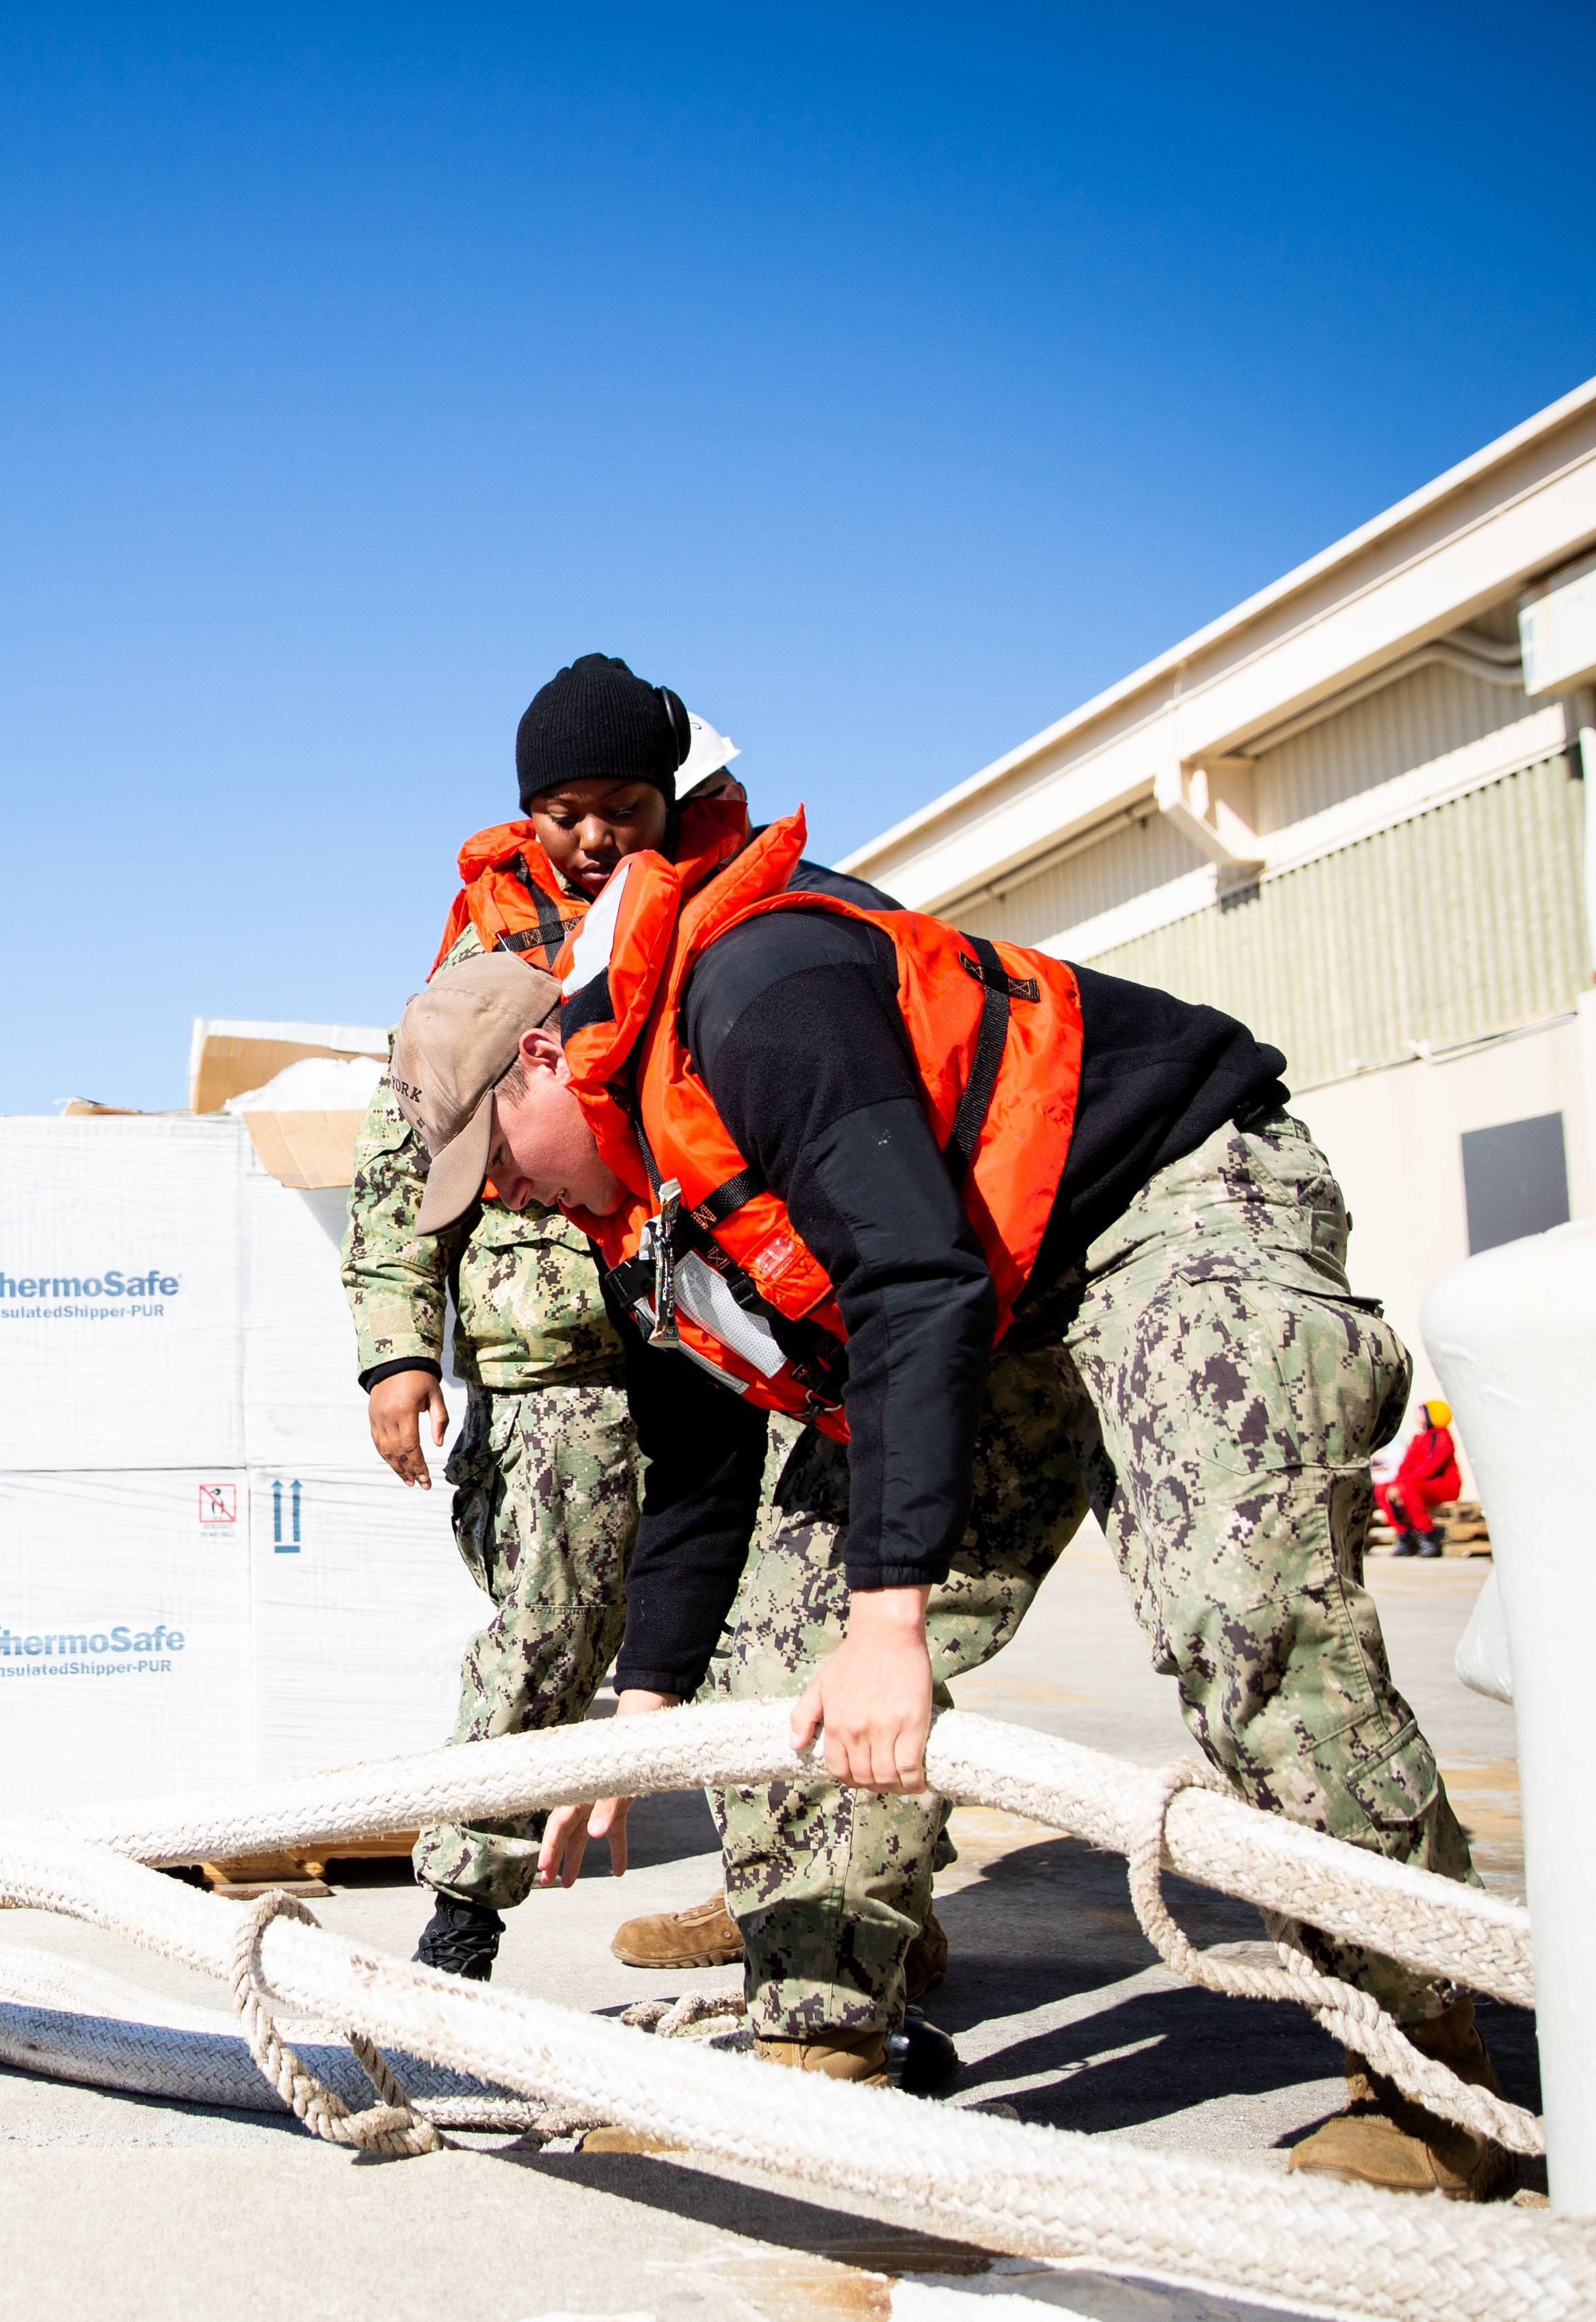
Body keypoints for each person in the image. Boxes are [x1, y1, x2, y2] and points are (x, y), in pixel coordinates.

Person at [386, 804, 1508, 2200]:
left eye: (496, 1159)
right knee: (774, 1672)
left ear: (544, 1057)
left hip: (1165, 1198)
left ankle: (1429, 2080)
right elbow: (703, 1446)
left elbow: (913, 1280)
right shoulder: (637, 1203)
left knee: (1247, 1612)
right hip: (985, 1290)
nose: (509, 1200)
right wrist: (648, 1702)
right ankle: (819, 2045)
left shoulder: (760, 1004)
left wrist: (895, 1615)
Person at [341, 655, 699, 1982]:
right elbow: (398, 1169)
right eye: (563, 809)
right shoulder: (473, 970)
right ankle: (461, 1917)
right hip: (554, 1367)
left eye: (622, 804)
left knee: (796, 1635)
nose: (595, 835)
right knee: (547, 1633)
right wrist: (397, 1350)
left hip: (732, 1349)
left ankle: (835, 1926)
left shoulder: (720, 921)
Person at [1376, 1402, 1461, 1557]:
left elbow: (1430, 1467)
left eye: (1422, 1411)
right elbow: (1407, 1464)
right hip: (1417, 1484)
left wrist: (1401, 1485)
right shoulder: (1419, 1437)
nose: (1417, 1413)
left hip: (1443, 1486)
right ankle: (1405, 1534)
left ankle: (1429, 1533)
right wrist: (1396, 1484)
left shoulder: (1441, 1436)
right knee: (1382, 1489)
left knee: (1406, 1487)